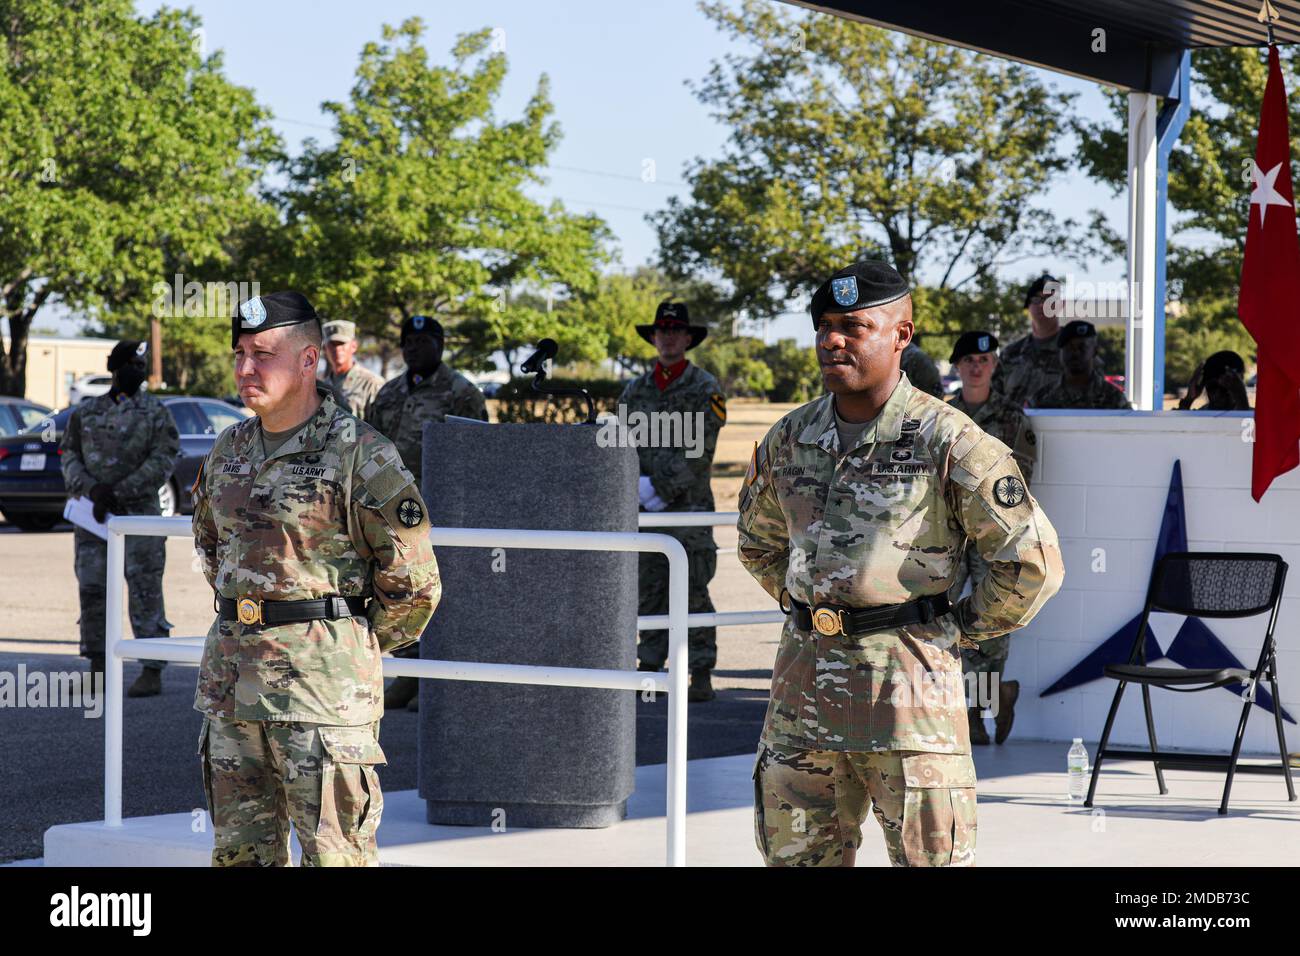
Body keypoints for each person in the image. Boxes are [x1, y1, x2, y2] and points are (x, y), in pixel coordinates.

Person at [739, 260, 1063, 867]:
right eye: (825, 326)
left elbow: (1029, 563)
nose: (832, 340)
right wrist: (804, 606)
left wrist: (955, 630)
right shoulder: (789, 438)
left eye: (854, 328)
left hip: (909, 700)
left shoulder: (950, 441)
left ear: (902, 335)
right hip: (801, 694)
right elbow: (758, 543)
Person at [191, 291, 441, 866]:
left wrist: (345, 637)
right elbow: (212, 548)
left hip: (322, 697)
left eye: (263, 353)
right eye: (240, 353)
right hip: (232, 686)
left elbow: (415, 579)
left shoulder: (360, 453)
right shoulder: (228, 449)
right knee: (238, 857)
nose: (245, 368)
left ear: (308, 361)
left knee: (335, 858)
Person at [366, 314, 487, 710]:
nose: (414, 348)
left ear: (440, 345)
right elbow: (368, 448)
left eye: (423, 341)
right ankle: (409, 671)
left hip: (439, 509)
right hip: (391, 509)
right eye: (408, 342)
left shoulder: (461, 392)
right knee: (398, 588)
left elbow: (476, 455)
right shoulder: (387, 393)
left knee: (437, 592)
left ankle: (435, 682)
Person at [60, 340, 180, 698]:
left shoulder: (156, 412)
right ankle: (98, 668)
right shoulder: (87, 412)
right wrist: (92, 489)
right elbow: (68, 453)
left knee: (144, 589)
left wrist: (120, 491)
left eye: (142, 365)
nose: (137, 371)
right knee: (93, 589)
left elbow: (164, 458)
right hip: (94, 518)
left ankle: (151, 668)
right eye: (131, 364)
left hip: (140, 517)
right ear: (114, 367)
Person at [620, 301, 726, 703]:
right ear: (654, 337)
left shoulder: (705, 387)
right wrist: (637, 487)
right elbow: (623, 443)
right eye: (661, 330)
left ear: (687, 338)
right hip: (644, 506)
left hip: (689, 506)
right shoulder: (636, 389)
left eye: (674, 330)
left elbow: (702, 449)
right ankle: (649, 664)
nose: (666, 336)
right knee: (648, 586)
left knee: (693, 587)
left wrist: (662, 489)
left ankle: (700, 670)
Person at [945, 330, 1037, 745]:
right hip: (949, 536)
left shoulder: (1013, 418)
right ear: (958, 367)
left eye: (984, 360)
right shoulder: (943, 417)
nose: (977, 366)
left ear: (994, 365)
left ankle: (977, 712)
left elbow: (1022, 481)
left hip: (992, 534)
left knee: (990, 625)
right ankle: (987, 698)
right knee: (944, 620)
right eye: (969, 360)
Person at [993, 273, 1071, 408]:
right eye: (1036, 299)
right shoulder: (1010, 354)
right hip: (1016, 428)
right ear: (1028, 306)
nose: (1042, 305)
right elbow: (994, 399)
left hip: (1062, 427)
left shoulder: (1077, 351)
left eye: (1049, 299)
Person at [1026, 320, 1133, 410]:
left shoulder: (1114, 399)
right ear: (1060, 353)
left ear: (1094, 351)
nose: (1075, 353)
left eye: (1082, 347)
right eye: (1069, 348)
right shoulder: (1041, 400)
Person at [319, 319, 384, 419]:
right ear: (325, 349)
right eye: (332, 344)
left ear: (353, 346)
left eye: (342, 343)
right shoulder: (322, 388)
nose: (337, 349)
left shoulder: (372, 384)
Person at [1178, 350, 1251, 410]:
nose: (1217, 394)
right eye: (1212, 387)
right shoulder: (1203, 414)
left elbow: (1245, 424)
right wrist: (1189, 399)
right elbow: (1178, 425)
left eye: (1223, 388)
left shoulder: (1255, 418)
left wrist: (1241, 398)